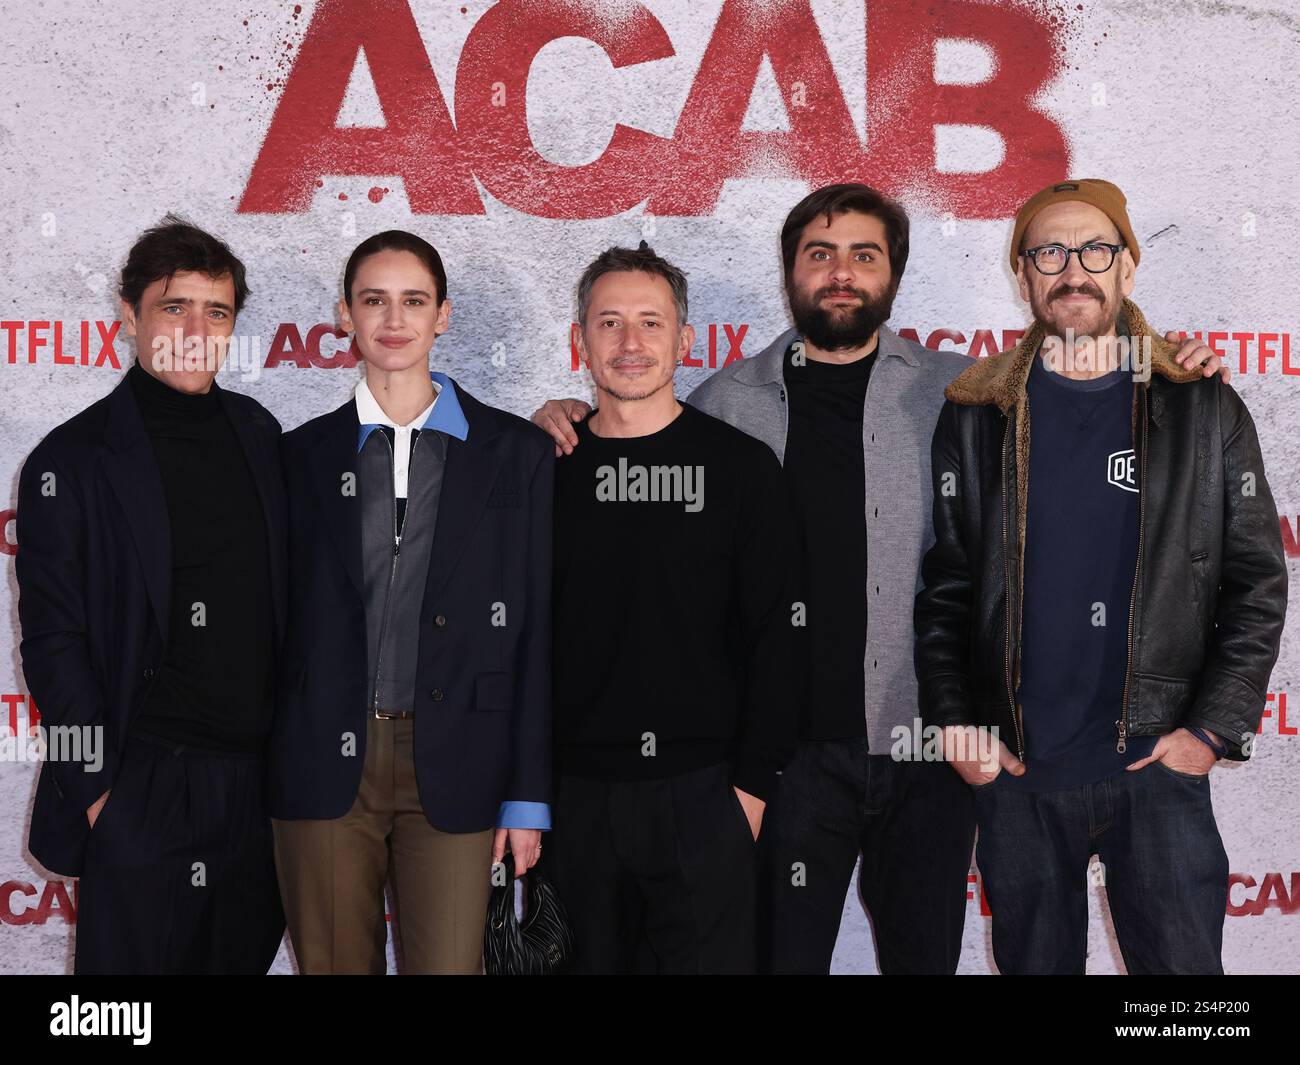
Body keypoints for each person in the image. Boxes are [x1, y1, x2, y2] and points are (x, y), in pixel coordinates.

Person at [533, 185, 1228, 974]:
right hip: (787, 760)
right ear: (789, 271)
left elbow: (1089, 384)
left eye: (865, 255)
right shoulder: (726, 401)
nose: (842, 273)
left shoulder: (971, 393)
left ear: (892, 274)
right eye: (819, 254)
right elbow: (636, 429)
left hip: (932, 748)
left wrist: (1171, 364)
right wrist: (558, 418)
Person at [914, 178, 1287, 974]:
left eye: (1094, 248)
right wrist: (955, 721)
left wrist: (1212, 730)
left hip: (1157, 768)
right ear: (1023, 273)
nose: (1071, 269)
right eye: (1049, 251)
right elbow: (946, 582)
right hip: (1019, 773)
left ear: (1128, 265)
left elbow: (1256, 580)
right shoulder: (977, 414)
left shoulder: (1200, 405)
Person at [269, 230, 553, 974]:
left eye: (413, 300)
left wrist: (526, 797)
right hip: (324, 761)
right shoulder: (297, 457)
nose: (394, 319)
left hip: (461, 758)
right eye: (374, 300)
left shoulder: (516, 453)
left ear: (444, 316)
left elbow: (535, 632)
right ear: (345, 315)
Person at [16, 215, 287, 973]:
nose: (196, 329)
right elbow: (50, 641)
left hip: (257, 788)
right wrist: (101, 791)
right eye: (175, 307)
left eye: (218, 311)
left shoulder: (259, 431)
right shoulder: (70, 457)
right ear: (130, 315)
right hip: (143, 781)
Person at [545, 242, 801, 974]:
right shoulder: (540, 469)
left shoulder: (742, 469)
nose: (631, 344)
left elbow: (780, 638)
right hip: (573, 802)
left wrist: (749, 793)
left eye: (652, 323)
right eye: (610, 323)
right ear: (580, 341)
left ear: (685, 341)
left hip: (705, 797)